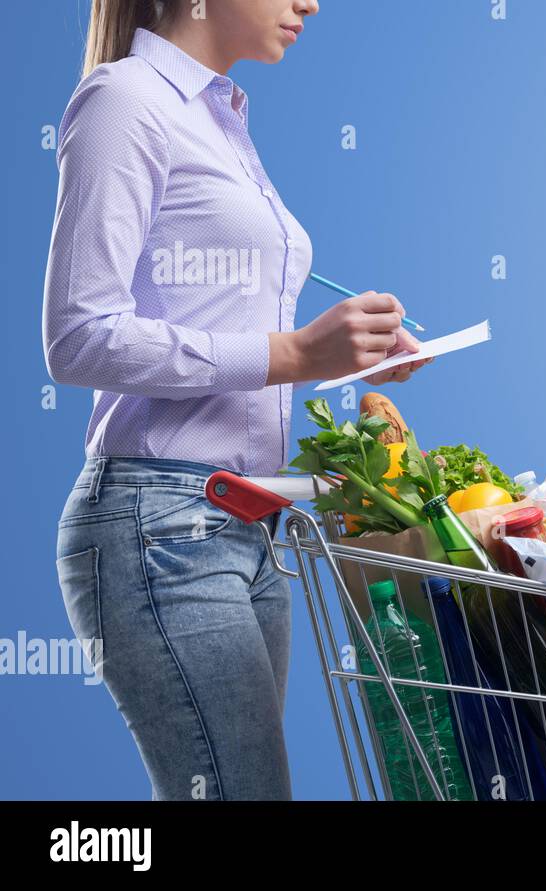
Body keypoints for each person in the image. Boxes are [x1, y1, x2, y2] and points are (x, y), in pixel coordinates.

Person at [43, 0, 425, 800]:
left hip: (245, 526)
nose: (310, 3)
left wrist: (346, 355)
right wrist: (292, 353)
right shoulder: (126, 101)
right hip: (161, 527)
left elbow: (216, 321)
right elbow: (79, 335)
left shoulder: (221, 120)